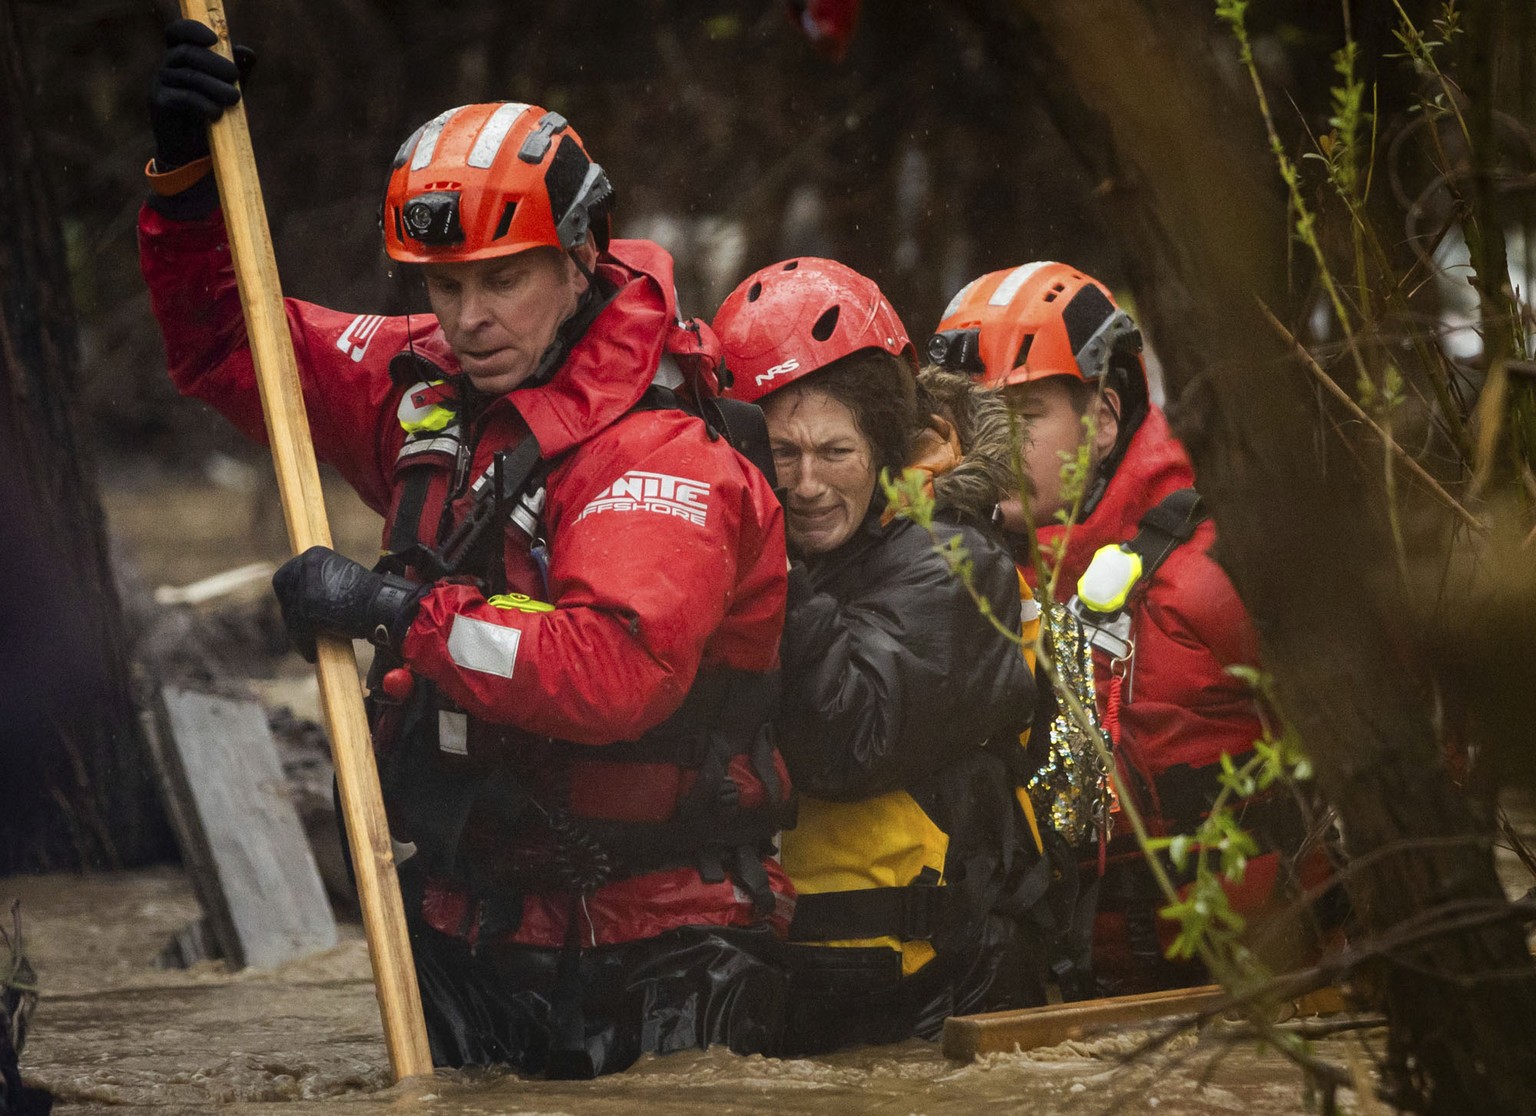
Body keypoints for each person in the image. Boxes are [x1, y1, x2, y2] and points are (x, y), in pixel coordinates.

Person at [140, 21, 795, 1077]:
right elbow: (229, 339)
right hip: (466, 927)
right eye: (443, 288)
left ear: (579, 257)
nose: (469, 320)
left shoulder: (667, 452)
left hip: (660, 951)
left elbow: (615, 672)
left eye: (502, 281)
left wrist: (392, 613)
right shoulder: (425, 384)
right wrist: (182, 187)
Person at [930, 261, 1328, 993]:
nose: (991, 448)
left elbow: (1398, 741)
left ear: (1105, 419)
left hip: (1268, 987)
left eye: (1023, 418)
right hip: (1074, 998)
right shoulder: (949, 574)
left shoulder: (1221, 564)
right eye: (971, 420)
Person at [713, 258, 1061, 1053]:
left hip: (933, 999)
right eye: (780, 454)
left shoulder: (957, 563)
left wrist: (767, 555)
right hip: (794, 984)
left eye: (834, 452)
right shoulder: (759, 550)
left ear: (885, 446)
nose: (805, 484)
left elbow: (849, 739)